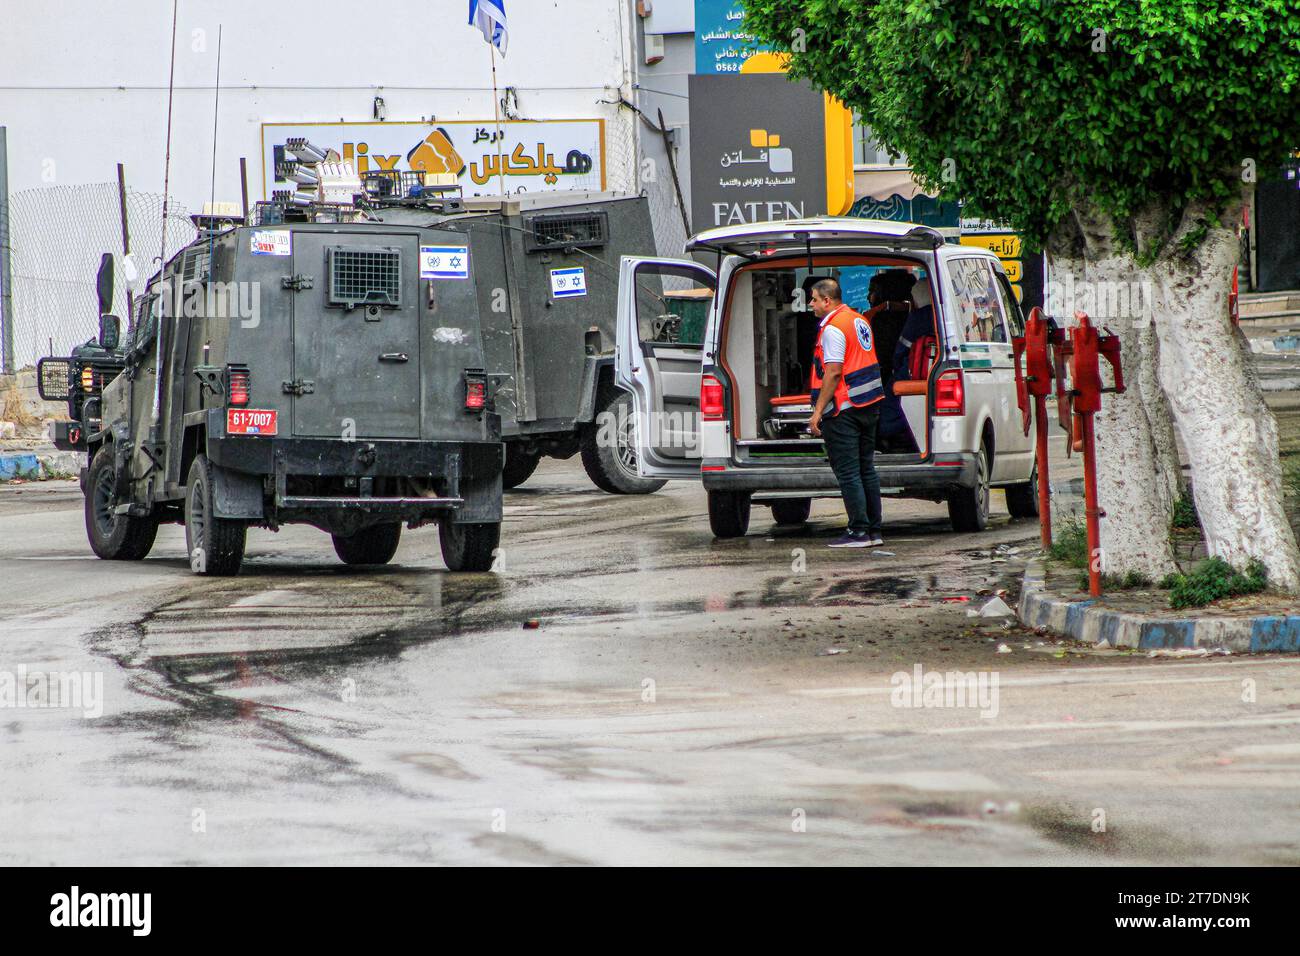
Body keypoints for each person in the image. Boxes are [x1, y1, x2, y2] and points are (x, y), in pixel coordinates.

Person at [807, 278, 886, 548]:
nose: (811, 304)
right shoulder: (857, 319)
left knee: (849, 471)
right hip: (868, 404)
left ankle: (858, 531)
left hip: (844, 409)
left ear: (827, 301)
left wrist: (817, 412)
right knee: (866, 469)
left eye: (814, 299)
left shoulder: (832, 328)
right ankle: (874, 531)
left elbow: (833, 371)